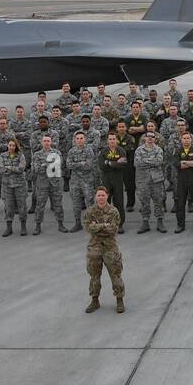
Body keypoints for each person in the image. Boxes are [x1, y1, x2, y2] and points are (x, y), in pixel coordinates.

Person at [84, 186, 124, 314]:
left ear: (107, 196)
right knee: (94, 275)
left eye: (103, 195)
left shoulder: (113, 211)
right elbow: (88, 227)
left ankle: (119, 300)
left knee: (115, 274)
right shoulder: (90, 211)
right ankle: (94, 300)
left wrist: (97, 226)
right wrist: (103, 225)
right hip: (94, 247)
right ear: (96, 197)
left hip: (110, 247)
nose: (100, 198)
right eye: (98, 195)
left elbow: (113, 229)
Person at [30, 134, 68, 235]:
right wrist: (50, 164)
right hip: (42, 183)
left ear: (51, 142)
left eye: (48, 141)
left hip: (55, 183)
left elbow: (59, 165)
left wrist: (44, 165)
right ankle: (38, 225)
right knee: (40, 204)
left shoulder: (57, 152)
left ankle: (61, 224)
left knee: (58, 204)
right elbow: (36, 169)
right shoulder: (37, 154)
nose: (46, 143)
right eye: (45, 141)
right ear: (42, 143)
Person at [171, 131, 193, 233]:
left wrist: (185, 162)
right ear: (181, 140)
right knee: (180, 203)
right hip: (181, 180)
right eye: (184, 138)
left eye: (188, 138)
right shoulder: (177, 150)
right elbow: (176, 163)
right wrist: (191, 162)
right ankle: (180, 225)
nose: (186, 140)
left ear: (191, 139)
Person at [65, 131, 96, 232]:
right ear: (75, 140)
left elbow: (89, 165)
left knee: (89, 201)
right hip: (75, 181)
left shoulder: (89, 150)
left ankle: (91, 222)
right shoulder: (71, 151)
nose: (79, 140)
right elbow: (68, 165)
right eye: (77, 138)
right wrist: (80, 163)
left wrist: (76, 164)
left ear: (85, 139)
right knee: (76, 203)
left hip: (87, 181)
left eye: (81, 138)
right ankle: (77, 223)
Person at [97, 133, 129, 234]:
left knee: (119, 202)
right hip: (106, 179)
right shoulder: (103, 151)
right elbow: (102, 165)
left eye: (114, 139)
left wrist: (109, 162)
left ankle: (119, 224)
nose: (112, 141)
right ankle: (105, 224)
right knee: (105, 202)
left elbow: (122, 164)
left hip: (117, 179)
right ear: (107, 141)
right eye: (110, 139)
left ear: (117, 140)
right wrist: (115, 162)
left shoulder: (121, 151)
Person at [0, 139, 28, 236]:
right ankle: (9, 228)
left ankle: (23, 226)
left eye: (13, 145)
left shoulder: (21, 155)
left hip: (20, 185)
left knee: (22, 206)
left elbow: (21, 168)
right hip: (7, 185)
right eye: (10, 145)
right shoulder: (2, 156)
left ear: (16, 146)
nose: (11, 147)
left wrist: (9, 168)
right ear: (7, 146)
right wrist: (14, 169)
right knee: (8, 207)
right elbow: (1, 169)